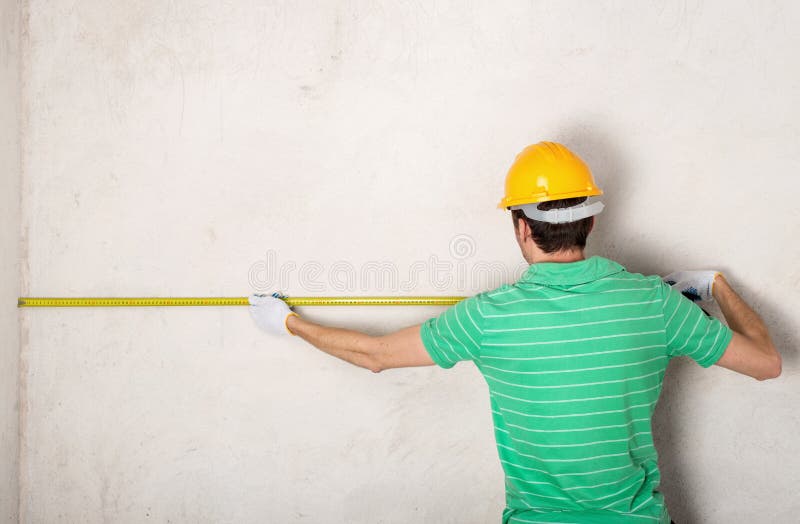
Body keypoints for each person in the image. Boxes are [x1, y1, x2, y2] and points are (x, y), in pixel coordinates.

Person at [249, 141, 781, 523]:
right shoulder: (656, 305)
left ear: (522, 227)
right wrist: (714, 285)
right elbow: (767, 363)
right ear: (591, 222)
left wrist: (289, 322)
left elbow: (375, 356)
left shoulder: (487, 317)